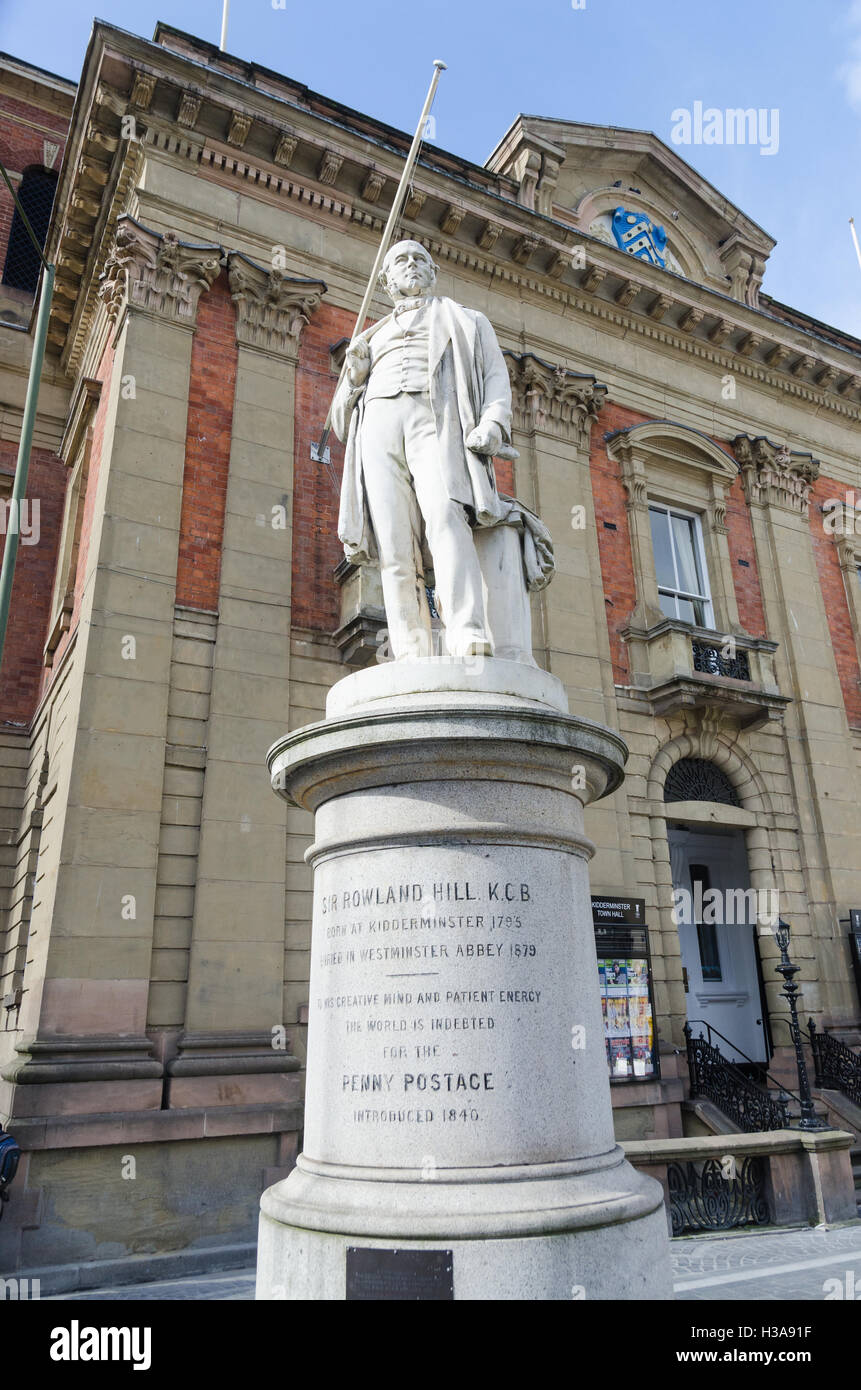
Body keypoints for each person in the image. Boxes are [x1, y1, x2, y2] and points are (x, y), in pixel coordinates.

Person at [332, 239, 515, 660]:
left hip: (437, 420)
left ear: (432, 274)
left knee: (446, 519)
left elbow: (495, 380)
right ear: (386, 279)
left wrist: (492, 423)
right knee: (394, 544)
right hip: (379, 425)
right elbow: (342, 426)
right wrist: (356, 379)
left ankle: (466, 629)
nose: (411, 265)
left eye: (420, 260)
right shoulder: (369, 339)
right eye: (401, 260)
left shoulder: (466, 321)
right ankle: (410, 646)